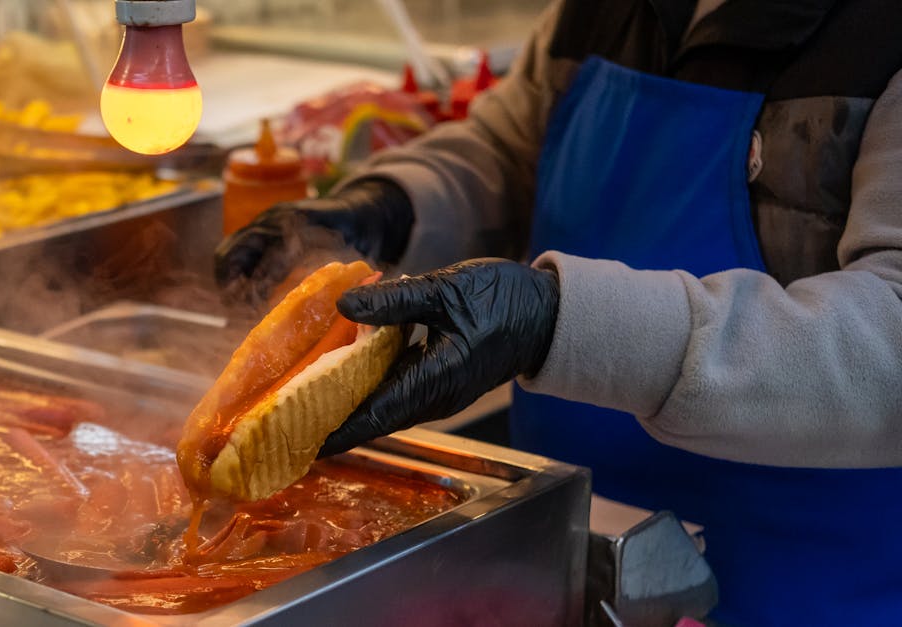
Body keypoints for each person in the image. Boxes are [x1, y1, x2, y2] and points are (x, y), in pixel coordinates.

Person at [214, 0, 902, 625]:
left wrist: (556, 320)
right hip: (556, 548)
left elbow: (890, 340)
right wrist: (388, 208)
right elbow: (509, 151)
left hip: (800, 582)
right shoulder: (597, 14)